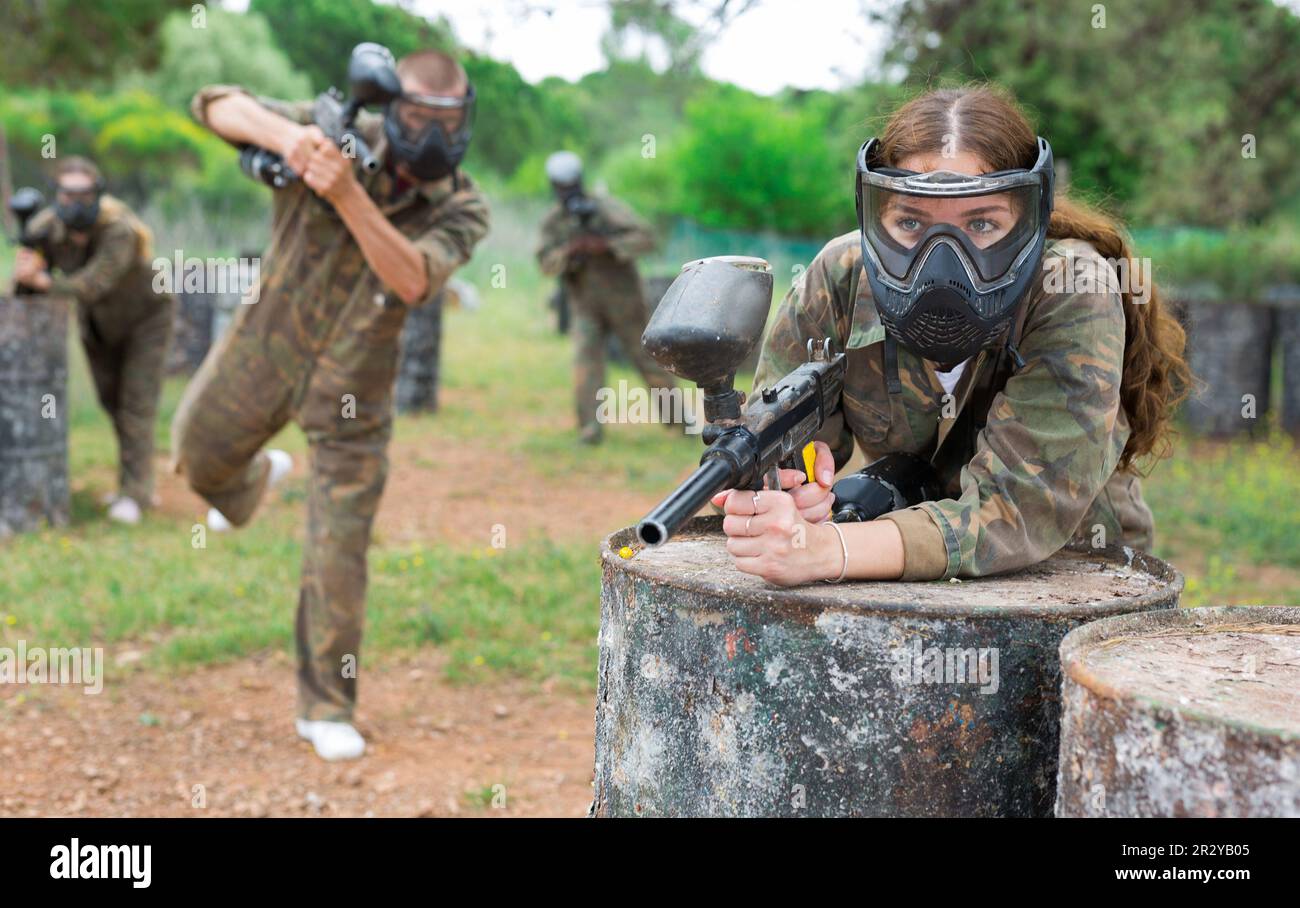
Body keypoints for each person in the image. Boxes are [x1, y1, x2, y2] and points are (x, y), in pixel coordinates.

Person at [713, 85, 1189, 585]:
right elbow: (781, 437)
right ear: (876, 214)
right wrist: (789, 492)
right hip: (899, 566)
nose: (941, 260)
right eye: (911, 221)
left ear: (1030, 218)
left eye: (982, 223)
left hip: (1073, 573)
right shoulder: (842, 276)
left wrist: (830, 550)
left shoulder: (1070, 286)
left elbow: (1017, 509)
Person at [172, 48, 489, 761]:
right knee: (195, 457)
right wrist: (290, 141)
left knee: (338, 549)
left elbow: (413, 279)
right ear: (389, 106)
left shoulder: (465, 204)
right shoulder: (335, 131)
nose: (431, 136)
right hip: (264, 347)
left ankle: (326, 706)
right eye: (415, 116)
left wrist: (348, 193)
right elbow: (215, 101)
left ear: (465, 121)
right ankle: (257, 481)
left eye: (446, 122)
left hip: (355, 388)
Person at [13, 157, 175, 525]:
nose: (75, 204)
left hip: (145, 321)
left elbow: (92, 285)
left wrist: (44, 282)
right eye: (67, 195)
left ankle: (136, 494)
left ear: (98, 195)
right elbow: (26, 293)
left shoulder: (120, 231)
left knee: (137, 406)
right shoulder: (45, 229)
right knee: (111, 402)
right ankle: (134, 482)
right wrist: (25, 273)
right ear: (58, 195)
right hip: (99, 325)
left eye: (84, 195)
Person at [536, 151, 675, 444]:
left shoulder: (607, 208)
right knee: (586, 364)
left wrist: (607, 246)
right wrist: (569, 252)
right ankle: (589, 429)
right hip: (585, 304)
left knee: (648, 359)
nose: (567, 191)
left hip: (625, 303)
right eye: (561, 186)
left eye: (570, 184)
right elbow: (545, 262)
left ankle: (678, 421)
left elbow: (646, 238)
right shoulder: (554, 221)